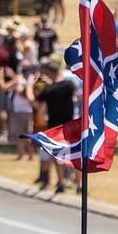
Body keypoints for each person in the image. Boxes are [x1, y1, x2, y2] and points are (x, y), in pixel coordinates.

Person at [32, 59, 77, 192]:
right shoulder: (69, 85)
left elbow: (35, 103)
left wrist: (30, 85)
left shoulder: (48, 90)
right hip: (69, 125)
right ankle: (78, 183)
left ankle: (61, 181)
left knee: (57, 156)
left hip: (55, 127)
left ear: (48, 72)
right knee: (73, 155)